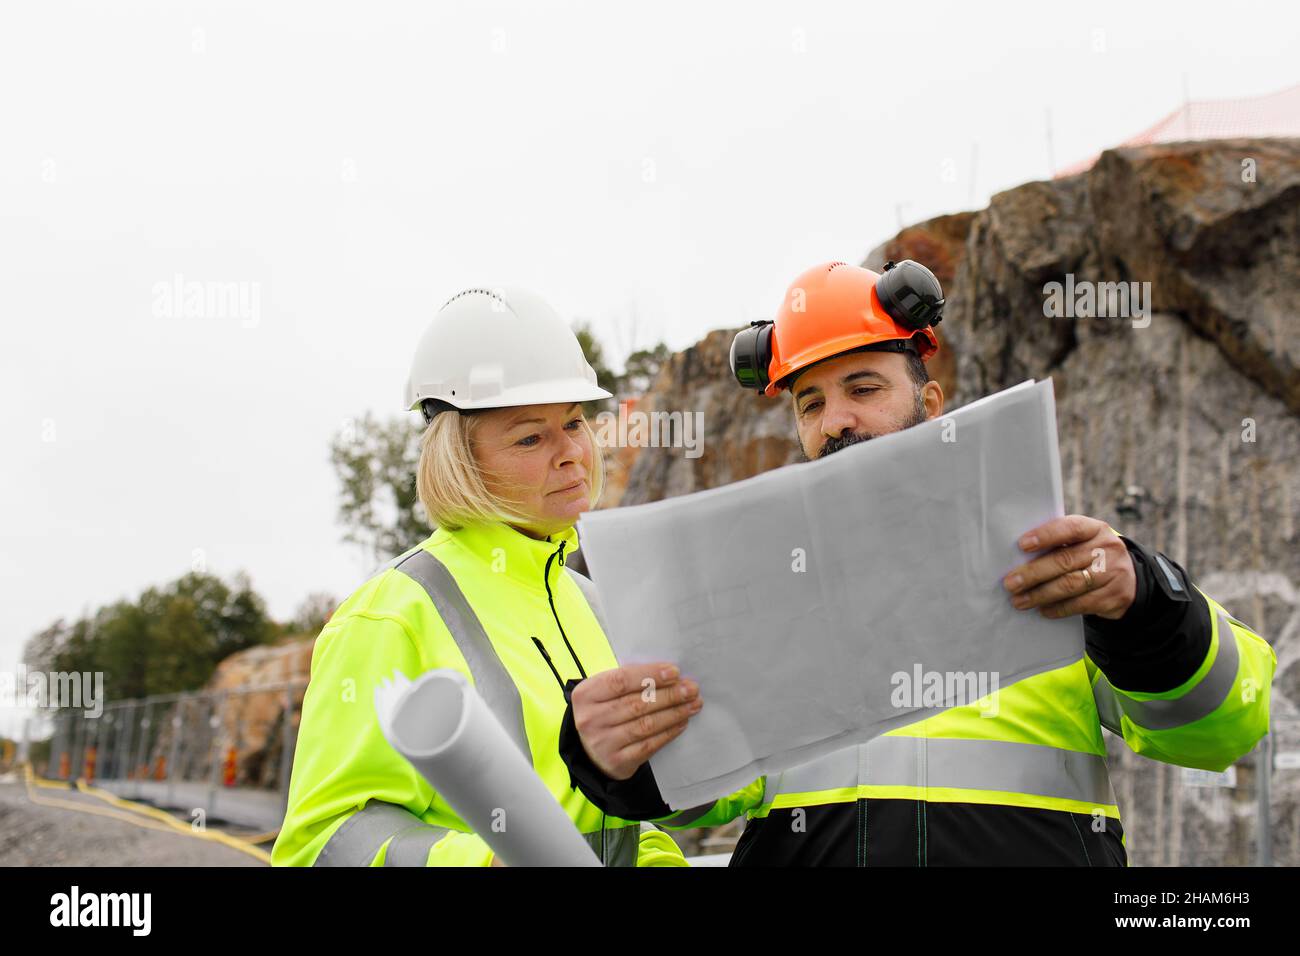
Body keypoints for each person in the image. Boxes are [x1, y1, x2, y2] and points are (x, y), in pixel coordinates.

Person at [559, 260, 1277, 865]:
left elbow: (1224, 728)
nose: (836, 420)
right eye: (811, 403)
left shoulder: (1058, 560)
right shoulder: (760, 590)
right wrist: (611, 760)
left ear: (930, 402)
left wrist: (1145, 603)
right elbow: (699, 791)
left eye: (863, 388)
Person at [272, 285, 687, 867]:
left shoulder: (593, 604)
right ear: (458, 459)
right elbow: (322, 843)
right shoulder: (391, 615)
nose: (571, 451)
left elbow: (606, 822)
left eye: (573, 422)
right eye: (531, 436)